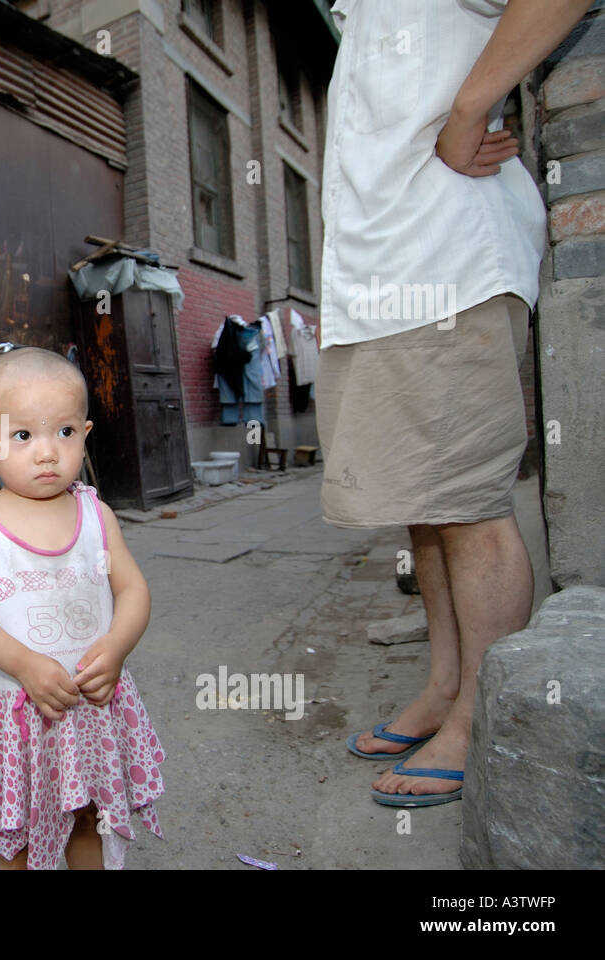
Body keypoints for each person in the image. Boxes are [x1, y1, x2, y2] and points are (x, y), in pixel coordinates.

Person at [320, 0, 592, 806]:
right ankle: (445, 684)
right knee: (426, 502)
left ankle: (483, 718)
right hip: (384, 275)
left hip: (445, 258)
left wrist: (472, 106)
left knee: (468, 503)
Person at [0, 347, 165, 869]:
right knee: (17, 834)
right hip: (19, 715)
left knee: (89, 815)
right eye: (23, 436)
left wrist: (117, 645)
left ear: (85, 435)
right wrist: (23, 664)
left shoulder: (96, 514)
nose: (47, 453)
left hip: (91, 706)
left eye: (64, 432)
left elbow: (132, 589)